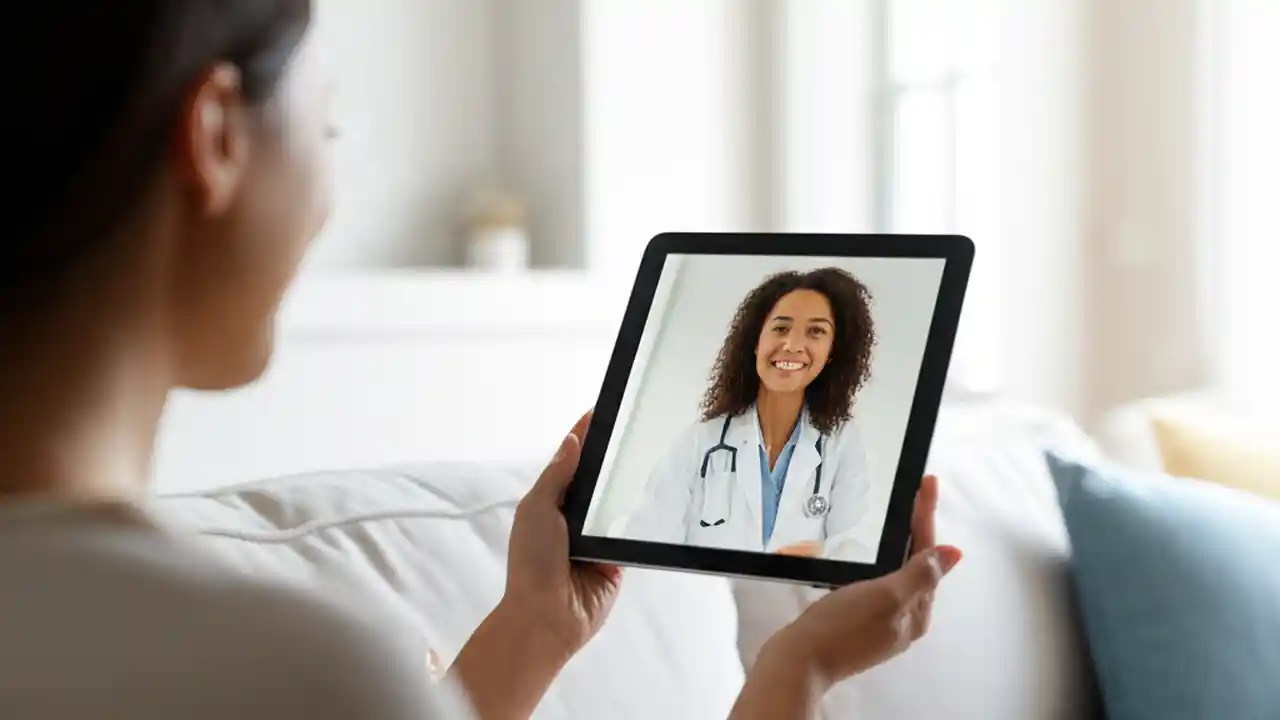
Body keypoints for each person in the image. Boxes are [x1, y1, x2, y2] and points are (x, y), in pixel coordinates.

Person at [0, 3, 962, 719]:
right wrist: (799, 672)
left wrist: (535, 624)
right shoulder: (298, 661)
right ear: (215, 137)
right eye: (328, 128)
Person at [623, 268, 878, 560]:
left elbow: (857, 546)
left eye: (816, 332)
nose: (793, 345)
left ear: (832, 351)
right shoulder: (700, 440)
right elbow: (643, 537)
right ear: (755, 341)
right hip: (707, 603)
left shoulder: (842, 442)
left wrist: (822, 555)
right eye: (781, 328)